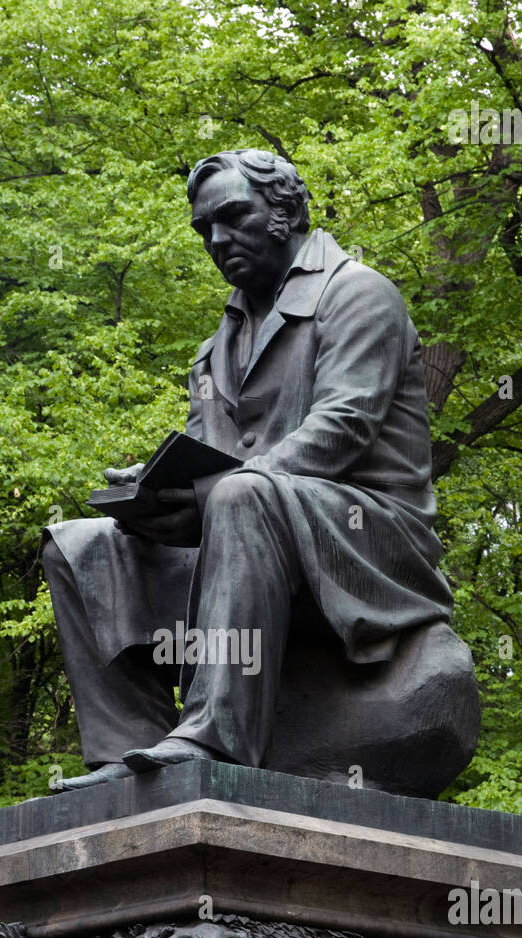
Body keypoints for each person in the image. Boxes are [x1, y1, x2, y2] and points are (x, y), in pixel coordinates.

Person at [43, 148, 454, 789]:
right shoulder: (217, 346)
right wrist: (155, 489)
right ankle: (129, 753)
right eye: (204, 228)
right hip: (254, 526)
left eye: (233, 216)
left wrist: (219, 491)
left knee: (242, 496)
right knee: (81, 546)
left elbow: (341, 428)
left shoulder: (357, 294)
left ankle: (215, 741)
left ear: (284, 210)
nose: (216, 239)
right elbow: (211, 454)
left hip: (366, 536)